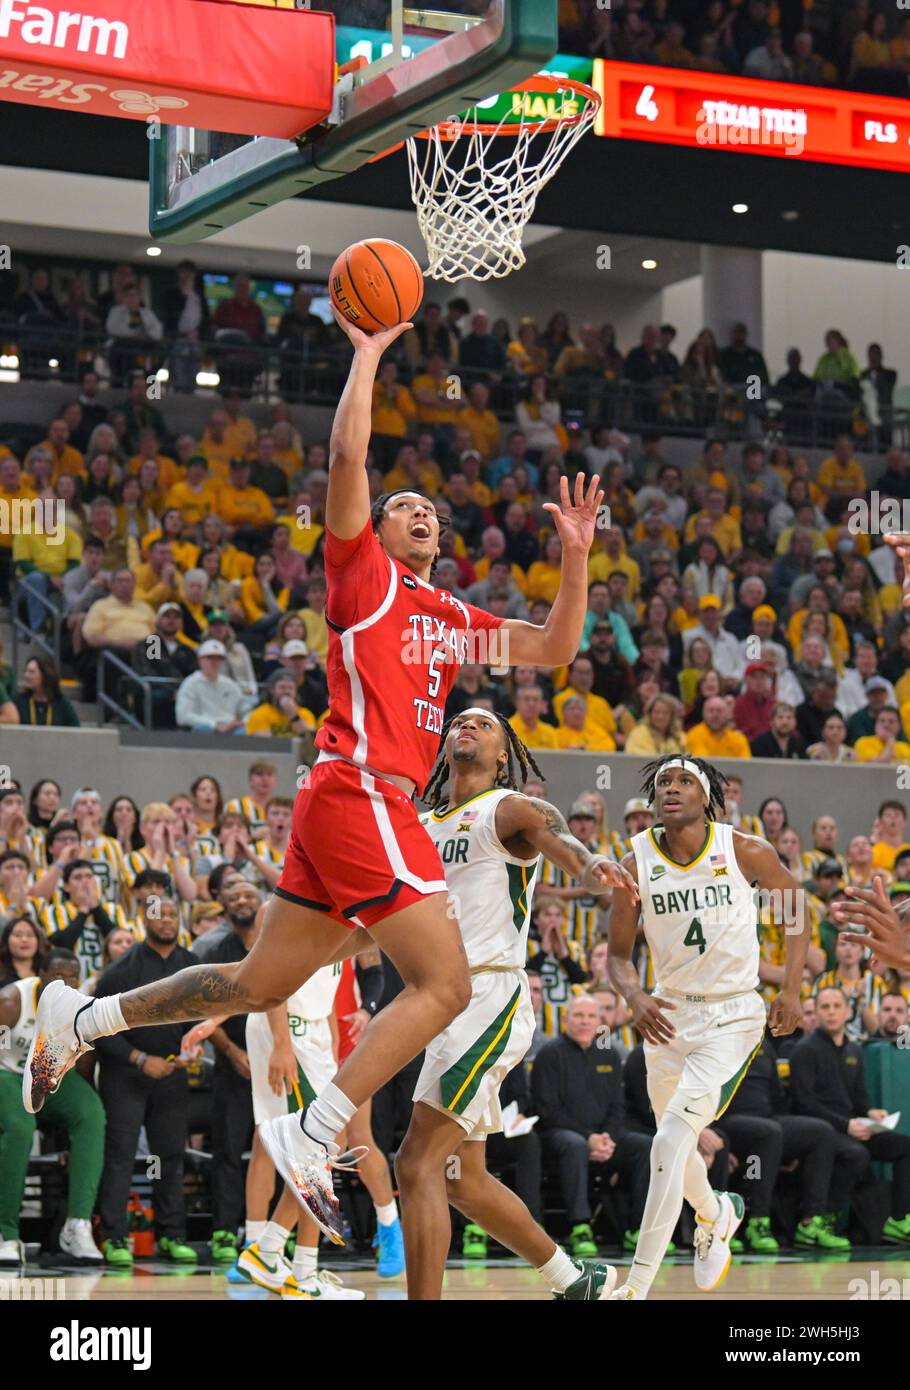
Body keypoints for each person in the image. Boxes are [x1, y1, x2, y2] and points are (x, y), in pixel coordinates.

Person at [26, 310, 605, 1269]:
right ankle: (314, 1131)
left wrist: (576, 556)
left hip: (347, 805)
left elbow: (551, 646)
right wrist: (369, 354)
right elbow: (347, 454)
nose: (425, 514)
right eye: (407, 504)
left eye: (436, 511)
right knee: (444, 980)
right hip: (363, 791)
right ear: (375, 527)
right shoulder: (362, 578)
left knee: (259, 983)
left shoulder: (449, 615)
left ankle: (80, 1016)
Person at [394, 707, 636, 1299]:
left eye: (484, 724)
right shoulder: (421, 824)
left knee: (416, 1163)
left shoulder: (509, 809)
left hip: (487, 996)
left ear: (505, 752)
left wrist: (590, 862)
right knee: (461, 1177)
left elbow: (564, 842)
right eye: (459, 722)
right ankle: (573, 1280)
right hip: (437, 1001)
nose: (467, 727)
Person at [606, 755, 807, 1300]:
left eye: (684, 782)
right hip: (668, 1015)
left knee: (669, 1138)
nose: (671, 789)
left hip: (732, 1015)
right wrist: (634, 994)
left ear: (708, 796)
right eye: (663, 782)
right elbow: (618, 956)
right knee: (674, 1144)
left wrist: (790, 988)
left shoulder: (744, 849)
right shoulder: (635, 860)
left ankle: (637, 1285)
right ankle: (718, 1211)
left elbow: (796, 908)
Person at [181, 937, 363, 1300]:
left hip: (312, 1033)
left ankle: (272, 1252)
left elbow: (321, 992)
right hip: (287, 1030)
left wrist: (329, 1044)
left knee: (322, 1147)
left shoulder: (348, 910)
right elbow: (270, 978)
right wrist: (282, 1042)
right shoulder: (300, 903)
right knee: (315, 1149)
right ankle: (298, 1271)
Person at [91, 898, 198, 1266]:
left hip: (171, 1075)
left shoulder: (191, 964)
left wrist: (193, 1045)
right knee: (120, 1157)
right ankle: (116, 1236)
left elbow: (205, 1013)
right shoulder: (121, 970)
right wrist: (139, 1059)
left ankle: (171, 1235)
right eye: (159, 915)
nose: (167, 920)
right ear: (143, 919)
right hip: (126, 1076)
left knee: (168, 1155)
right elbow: (98, 1028)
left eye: (172, 914)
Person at [0, 947, 105, 1266]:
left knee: (91, 1114)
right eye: (58, 975)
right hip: (7, 1073)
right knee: (20, 1128)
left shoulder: (78, 1007)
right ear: (40, 974)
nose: (66, 982)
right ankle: (6, 1233)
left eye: (73, 976)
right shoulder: (11, 1001)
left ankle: (77, 1226)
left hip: (49, 1076)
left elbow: (84, 1068)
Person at [789, 986, 910, 1247]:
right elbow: (804, 1102)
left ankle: (899, 1220)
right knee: (856, 1154)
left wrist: (871, 1114)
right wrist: (847, 1125)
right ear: (817, 1013)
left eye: (836, 1006)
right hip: (823, 1128)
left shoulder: (854, 1050)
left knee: (905, 1147)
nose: (831, 1012)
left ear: (848, 1012)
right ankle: (820, 1220)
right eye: (825, 1007)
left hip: (853, 1125)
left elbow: (858, 1097)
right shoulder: (805, 1050)